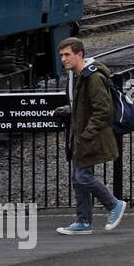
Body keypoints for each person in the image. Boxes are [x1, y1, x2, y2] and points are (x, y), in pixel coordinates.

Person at [54, 38, 128, 235]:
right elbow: (83, 105)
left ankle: (114, 204)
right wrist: (68, 110)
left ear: (80, 54)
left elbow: (103, 110)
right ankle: (83, 221)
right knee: (77, 178)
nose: (63, 59)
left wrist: (86, 134)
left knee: (82, 177)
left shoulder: (92, 77)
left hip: (90, 136)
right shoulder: (75, 77)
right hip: (79, 135)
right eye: (61, 55)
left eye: (67, 54)